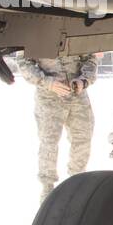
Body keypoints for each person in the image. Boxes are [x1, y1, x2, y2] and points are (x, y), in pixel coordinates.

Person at [18, 53, 97, 203]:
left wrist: (83, 80)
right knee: (49, 143)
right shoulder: (35, 33)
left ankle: (77, 182)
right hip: (49, 98)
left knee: (83, 139)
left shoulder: (77, 30)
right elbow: (23, 62)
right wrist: (48, 82)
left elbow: (90, 58)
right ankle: (47, 192)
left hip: (77, 97)